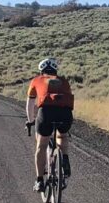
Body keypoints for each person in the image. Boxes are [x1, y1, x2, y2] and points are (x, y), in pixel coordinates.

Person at [25, 57, 74, 192]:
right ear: (55, 70)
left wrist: (30, 120)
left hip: (46, 113)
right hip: (65, 113)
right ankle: (64, 159)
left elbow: (30, 104)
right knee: (62, 136)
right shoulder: (64, 81)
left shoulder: (36, 80)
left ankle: (39, 181)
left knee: (41, 145)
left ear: (41, 71)